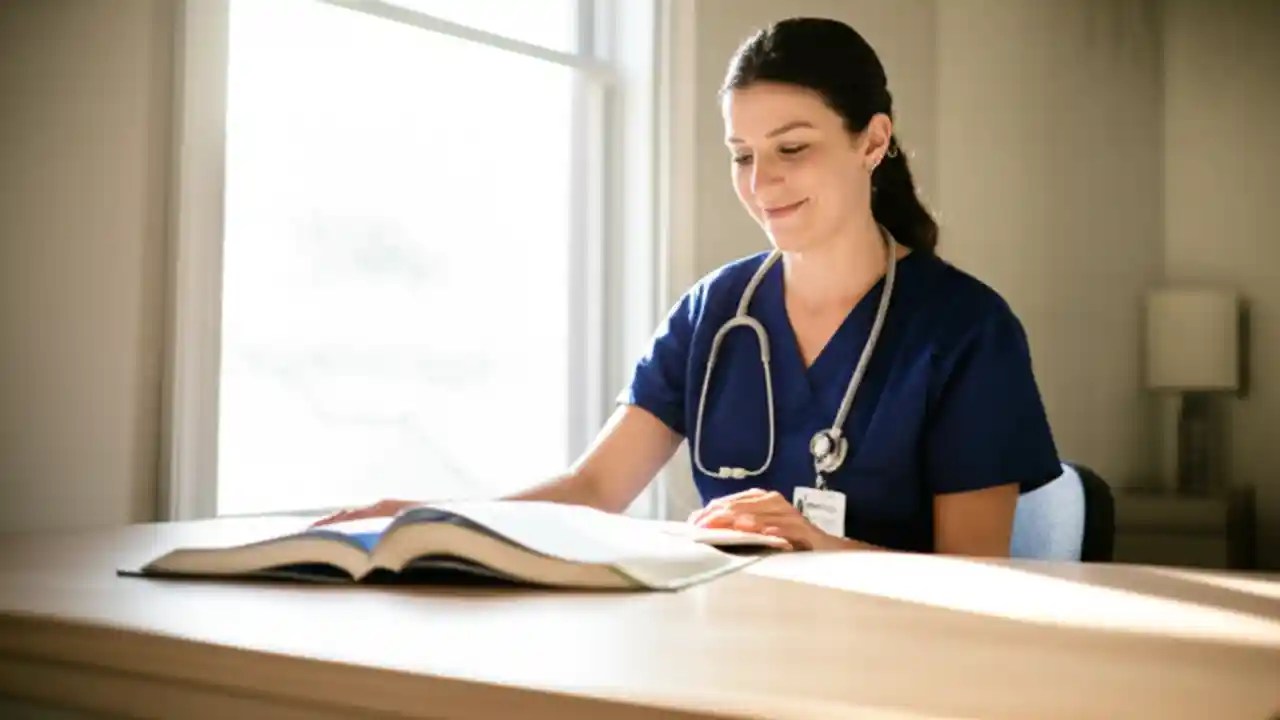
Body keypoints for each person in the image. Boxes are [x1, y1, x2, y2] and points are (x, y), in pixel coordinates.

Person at [315, 17, 1061, 556]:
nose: (761, 183)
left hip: (895, 669)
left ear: (872, 140)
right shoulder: (716, 312)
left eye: (792, 149)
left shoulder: (965, 331)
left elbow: (976, 578)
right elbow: (593, 491)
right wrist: (434, 517)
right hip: (723, 643)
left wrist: (816, 548)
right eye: (742, 155)